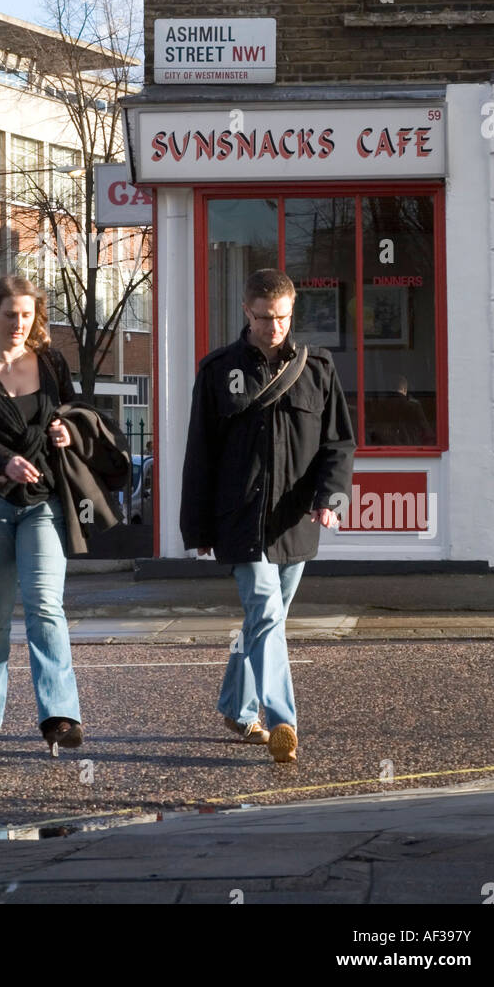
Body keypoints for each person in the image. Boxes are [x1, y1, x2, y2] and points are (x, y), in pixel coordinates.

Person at [180, 268, 355, 763]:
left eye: (281, 318)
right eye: (263, 318)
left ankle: (238, 706)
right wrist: (197, 528)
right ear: (246, 312)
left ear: (291, 311)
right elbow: (201, 454)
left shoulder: (317, 368)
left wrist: (332, 499)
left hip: (294, 521)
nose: (274, 327)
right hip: (239, 519)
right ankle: (283, 722)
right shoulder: (218, 371)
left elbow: (338, 444)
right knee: (267, 613)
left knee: (264, 621)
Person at [0, 273, 82, 755]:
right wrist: (5, 460)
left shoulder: (50, 362)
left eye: (28, 315)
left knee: (46, 605)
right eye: (11, 315)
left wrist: (66, 431)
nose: (19, 324)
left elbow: (71, 411)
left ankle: (60, 717)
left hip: (43, 501)